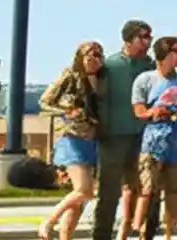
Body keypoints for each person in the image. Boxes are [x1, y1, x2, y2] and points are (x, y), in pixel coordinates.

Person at [130, 37, 177, 240]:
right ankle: (139, 230)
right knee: (147, 189)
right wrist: (154, 112)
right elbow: (138, 111)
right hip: (153, 142)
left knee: (175, 191)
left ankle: (169, 234)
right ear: (163, 55)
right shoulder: (145, 80)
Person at [92, 20, 161, 240]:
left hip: (146, 137)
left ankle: (146, 233)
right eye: (142, 37)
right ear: (127, 39)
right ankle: (101, 236)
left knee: (150, 189)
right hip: (113, 137)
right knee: (109, 192)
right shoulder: (109, 66)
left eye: (149, 37)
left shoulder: (153, 68)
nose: (147, 42)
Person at [38, 41, 105, 240]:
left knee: (79, 198)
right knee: (86, 190)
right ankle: (49, 221)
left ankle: (65, 236)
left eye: (98, 56)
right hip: (73, 137)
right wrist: (67, 111)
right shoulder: (70, 75)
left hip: (93, 139)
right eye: (89, 56)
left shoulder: (102, 80)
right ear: (80, 58)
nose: (94, 60)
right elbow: (44, 102)